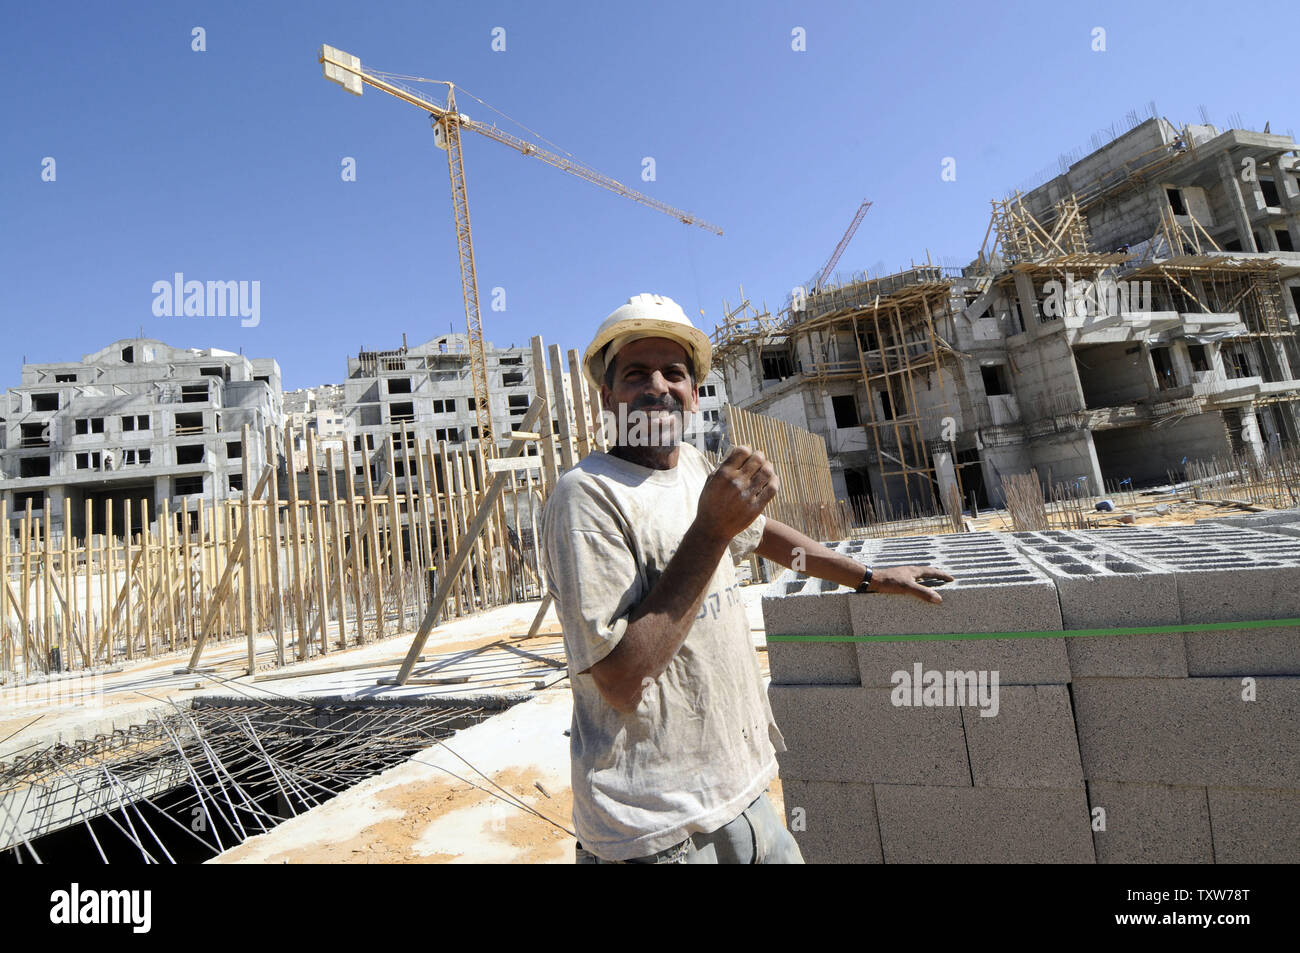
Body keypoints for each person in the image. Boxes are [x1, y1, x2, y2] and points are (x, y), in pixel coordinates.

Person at [541, 293, 952, 864]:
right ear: (607, 395)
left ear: (692, 393)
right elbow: (621, 680)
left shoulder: (690, 467)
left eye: (675, 373)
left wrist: (868, 576)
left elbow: (764, 535)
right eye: (636, 374)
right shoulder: (586, 497)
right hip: (659, 831)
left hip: (746, 796)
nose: (658, 386)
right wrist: (709, 532)